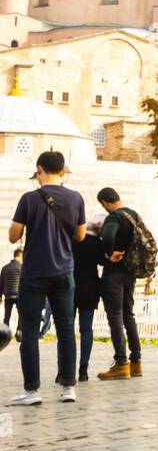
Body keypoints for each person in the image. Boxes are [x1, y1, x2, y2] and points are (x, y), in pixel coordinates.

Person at [8, 151, 85, 406]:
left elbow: (13, 235)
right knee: (65, 329)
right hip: (63, 271)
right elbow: (81, 235)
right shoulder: (76, 198)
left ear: (39, 169)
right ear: (62, 171)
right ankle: (68, 387)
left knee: (29, 330)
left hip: (34, 273)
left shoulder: (29, 199)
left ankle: (32, 390)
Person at [96, 187, 143, 380]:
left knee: (115, 316)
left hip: (114, 273)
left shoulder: (114, 217)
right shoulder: (134, 215)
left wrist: (109, 253)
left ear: (105, 203)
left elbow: (108, 235)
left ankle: (121, 363)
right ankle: (136, 362)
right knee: (128, 315)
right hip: (130, 273)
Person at [73, 221, 104, 381]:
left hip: (68, 287)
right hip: (89, 288)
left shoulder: (69, 239)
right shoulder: (95, 242)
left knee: (66, 330)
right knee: (86, 329)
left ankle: (63, 369)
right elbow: (102, 261)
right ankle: (83, 370)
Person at [1, 248, 22, 339]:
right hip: (19, 295)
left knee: (7, 316)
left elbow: (1, 283)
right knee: (21, 314)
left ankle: (4, 335)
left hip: (8, 294)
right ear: (20, 255)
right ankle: (19, 333)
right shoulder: (22, 268)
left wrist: (0, 296)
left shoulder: (5, 268)